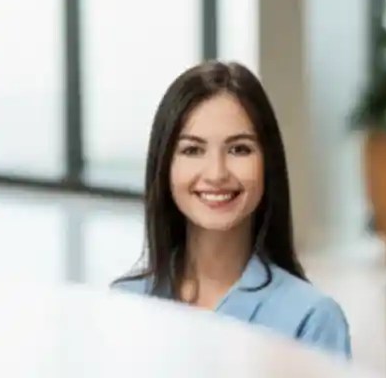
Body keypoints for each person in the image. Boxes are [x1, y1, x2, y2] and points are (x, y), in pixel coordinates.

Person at [112, 60, 351, 359]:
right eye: (192, 150)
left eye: (239, 149)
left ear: (268, 164)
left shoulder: (312, 320)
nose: (216, 173)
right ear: (165, 167)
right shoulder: (124, 304)